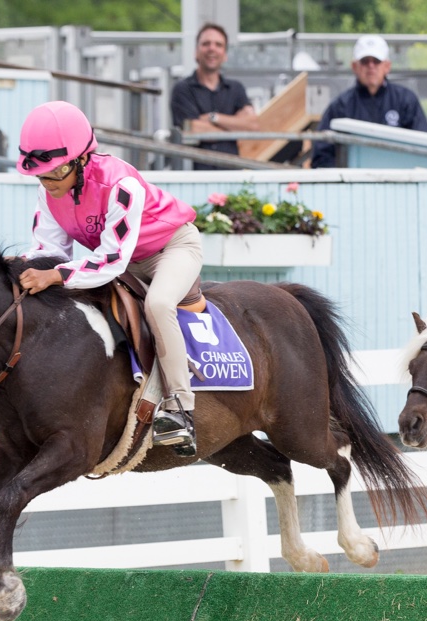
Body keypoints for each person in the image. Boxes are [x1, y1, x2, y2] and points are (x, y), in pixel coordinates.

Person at [15, 101, 202, 455]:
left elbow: (111, 261)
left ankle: (180, 408)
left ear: (83, 159)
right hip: (126, 260)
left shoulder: (121, 184)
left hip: (171, 249)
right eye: (40, 174)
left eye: (56, 171)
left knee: (159, 304)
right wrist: (18, 266)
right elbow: (50, 250)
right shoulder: (48, 192)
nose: (48, 182)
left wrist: (53, 275)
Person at [309, 34, 427, 169]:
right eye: (365, 61)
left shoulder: (406, 101)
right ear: (354, 66)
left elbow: (425, 147)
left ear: (387, 66)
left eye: (376, 61)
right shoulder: (341, 106)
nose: (371, 66)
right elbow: (322, 156)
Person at [170, 22, 259, 170]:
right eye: (206, 44)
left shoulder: (236, 89)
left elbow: (252, 125)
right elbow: (194, 129)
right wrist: (234, 128)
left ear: (225, 54)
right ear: (196, 52)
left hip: (231, 173)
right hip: (194, 175)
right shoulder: (183, 89)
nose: (212, 48)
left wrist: (214, 118)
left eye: (218, 45)